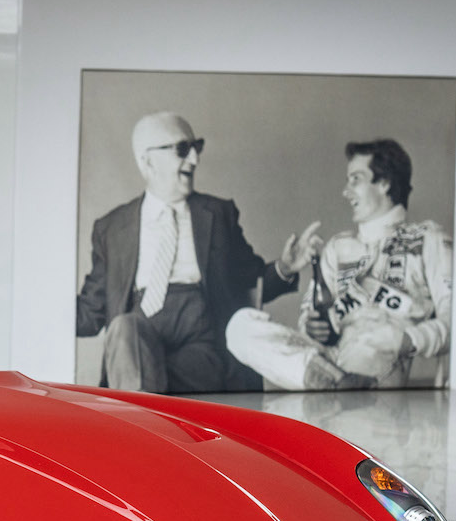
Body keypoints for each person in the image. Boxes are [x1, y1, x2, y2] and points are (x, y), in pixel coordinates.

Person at [75, 112, 319, 392]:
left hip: (203, 339)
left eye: (197, 147)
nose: (195, 159)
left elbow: (250, 281)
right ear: (147, 162)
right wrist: (36, 301)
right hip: (138, 336)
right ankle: (146, 410)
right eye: (182, 149)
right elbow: (92, 312)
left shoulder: (218, 215)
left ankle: (140, 420)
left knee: (142, 382)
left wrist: (286, 268)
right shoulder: (111, 227)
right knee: (123, 329)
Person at [226, 138, 452, 390]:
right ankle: (337, 384)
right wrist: (311, 326)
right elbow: (309, 316)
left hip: (380, 361)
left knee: (367, 347)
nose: (346, 191)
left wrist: (406, 340)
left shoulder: (428, 239)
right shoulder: (337, 247)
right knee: (240, 326)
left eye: (355, 179)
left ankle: (337, 387)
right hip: (329, 359)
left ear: (385, 183)